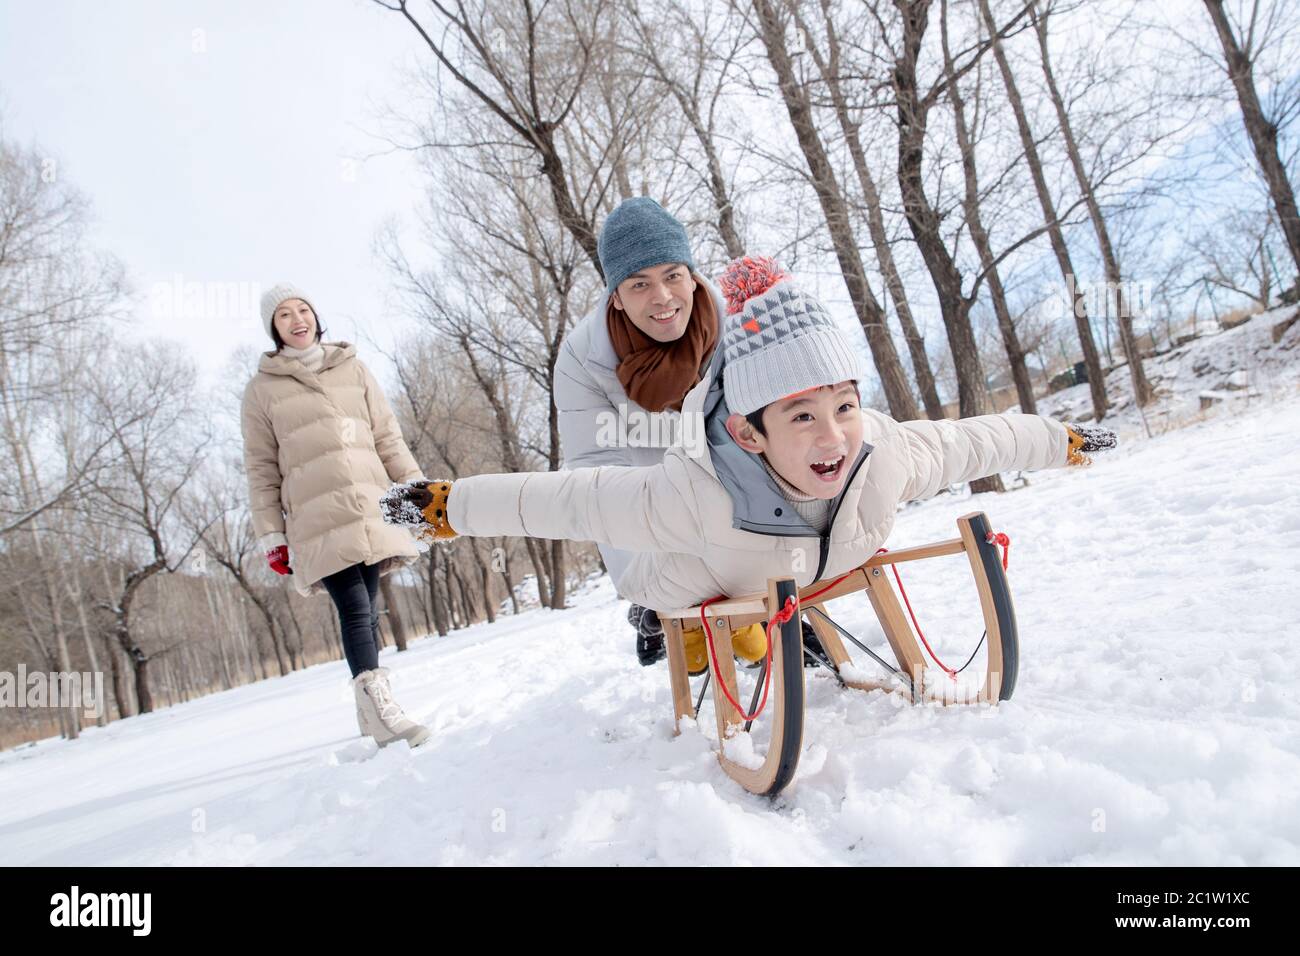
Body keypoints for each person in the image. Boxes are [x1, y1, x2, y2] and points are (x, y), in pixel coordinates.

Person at [381, 257, 1116, 672]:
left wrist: (1063, 440)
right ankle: (675, 624)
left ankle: (768, 628)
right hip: (703, 567)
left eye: (844, 407)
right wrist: (451, 506)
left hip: (800, 565)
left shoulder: (883, 452)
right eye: (802, 416)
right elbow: (572, 499)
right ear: (752, 433)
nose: (834, 438)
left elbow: (979, 441)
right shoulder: (694, 492)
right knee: (665, 582)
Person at [554, 197, 800, 667]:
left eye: (672, 275)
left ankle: (770, 618)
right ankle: (660, 619)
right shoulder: (583, 359)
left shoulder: (738, 320)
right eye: (639, 284)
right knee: (686, 623)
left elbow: (784, 416)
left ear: (690, 275)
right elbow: (594, 474)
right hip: (650, 490)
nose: (663, 297)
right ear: (617, 297)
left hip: (734, 471)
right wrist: (650, 585)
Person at [241, 283, 432, 748]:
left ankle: (369, 713)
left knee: (367, 613)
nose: (296, 318)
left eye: (302, 308)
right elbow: (261, 468)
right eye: (283, 314)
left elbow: (388, 438)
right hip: (316, 518)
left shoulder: (354, 368)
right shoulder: (261, 391)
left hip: (370, 507)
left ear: (315, 316)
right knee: (355, 609)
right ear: (274, 328)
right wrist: (272, 534)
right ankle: (382, 711)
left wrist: (421, 497)